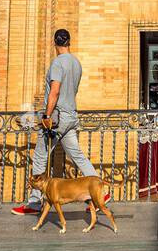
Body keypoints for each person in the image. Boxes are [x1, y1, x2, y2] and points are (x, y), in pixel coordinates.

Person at [12, 28, 110, 215]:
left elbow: (55, 91)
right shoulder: (76, 63)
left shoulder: (57, 63)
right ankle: (101, 193)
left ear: (54, 43)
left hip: (58, 118)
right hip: (71, 115)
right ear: (69, 42)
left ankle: (34, 203)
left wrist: (47, 116)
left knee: (40, 157)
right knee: (77, 155)